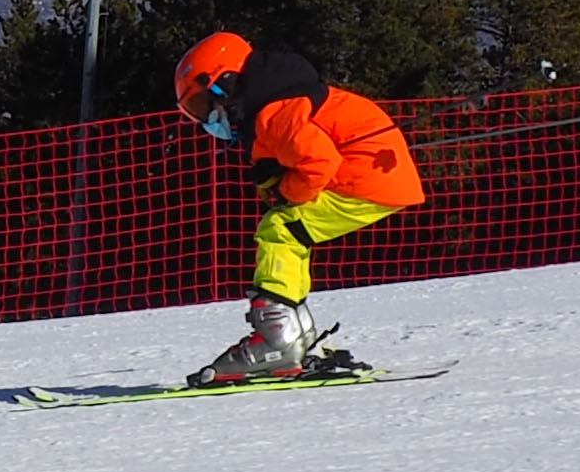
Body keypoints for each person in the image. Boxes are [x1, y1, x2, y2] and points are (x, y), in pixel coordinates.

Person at [172, 31, 426, 386]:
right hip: (376, 177)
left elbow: (319, 163)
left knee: (281, 229)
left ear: (225, 85)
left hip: (365, 179)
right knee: (289, 232)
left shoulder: (275, 113)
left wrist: (285, 193)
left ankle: (276, 339)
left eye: (203, 106)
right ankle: (296, 336)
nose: (208, 120)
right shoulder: (279, 101)